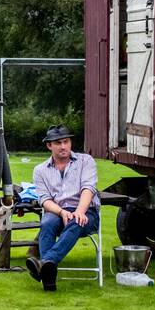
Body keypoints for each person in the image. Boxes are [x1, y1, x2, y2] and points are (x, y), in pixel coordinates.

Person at [26, 125, 99, 291]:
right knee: (47, 223)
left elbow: (88, 188)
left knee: (76, 221)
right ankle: (49, 280)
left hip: (86, 211)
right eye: (58, 143)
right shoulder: (40, 170)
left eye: (66, 141)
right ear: (49, 145)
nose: (63, 146)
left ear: (70, 142)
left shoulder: (85, 161)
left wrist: (79, 211)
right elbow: (44, 200)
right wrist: (61, 211)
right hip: (57, 211)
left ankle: (44, 263)